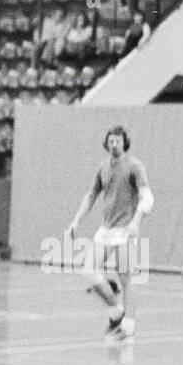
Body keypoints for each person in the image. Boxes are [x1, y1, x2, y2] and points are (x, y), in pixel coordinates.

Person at [67, 126, 153, 342]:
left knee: (126, 278)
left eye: (118, 141)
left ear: (125, 143)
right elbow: (91, 195)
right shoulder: (103, 168)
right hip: (105, 230)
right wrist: (76, 222)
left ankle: (129, 325)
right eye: (111, 141)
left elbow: (147, 197)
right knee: (88, 270)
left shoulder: (134, 167)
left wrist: (136, 221)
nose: (114, 144)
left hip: (125, 229)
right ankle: (116, 313)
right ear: (107, 144)